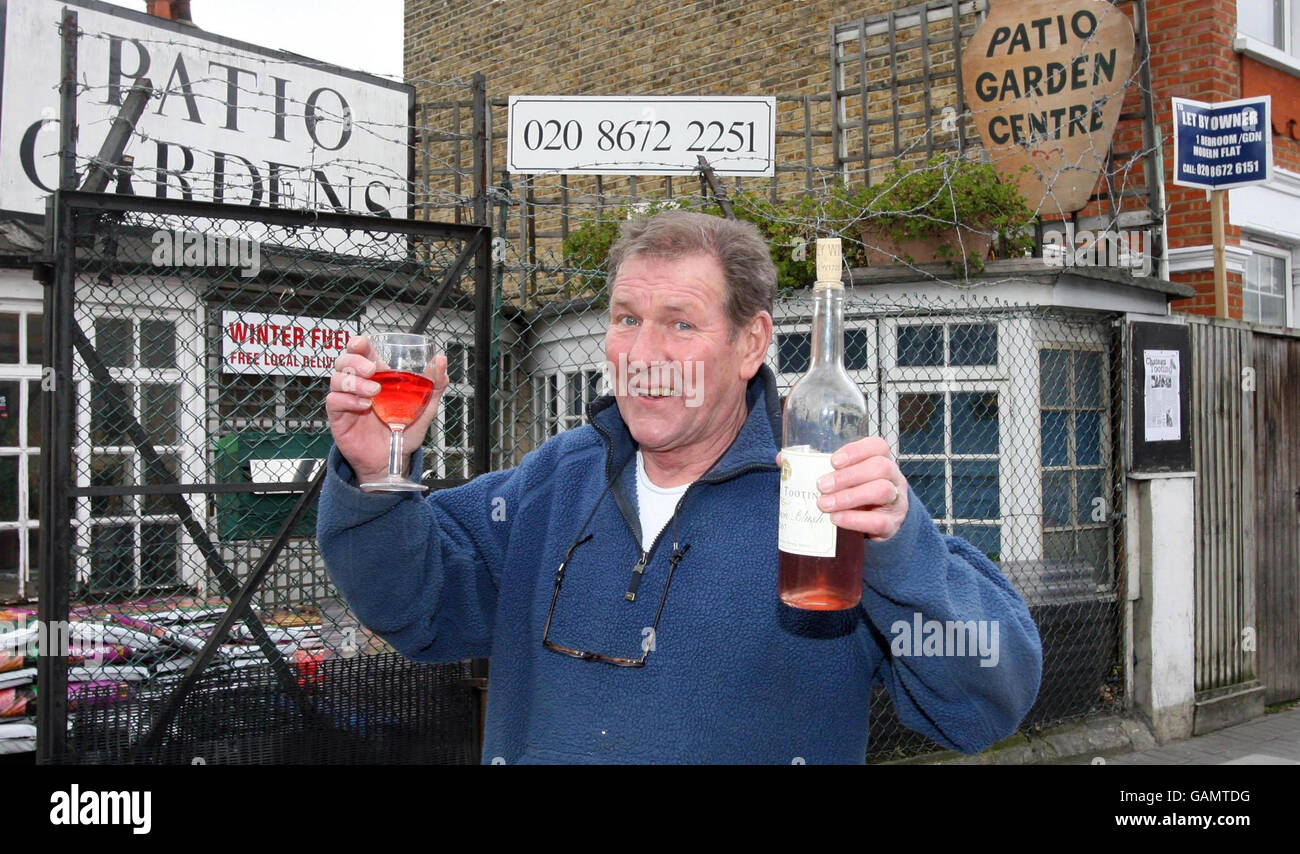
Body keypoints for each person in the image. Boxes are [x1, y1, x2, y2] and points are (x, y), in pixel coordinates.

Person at [318, 210, 1042, 764]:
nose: (642, 354)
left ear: (751, 342)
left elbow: (988, 701)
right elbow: (415, 608)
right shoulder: (551, 483)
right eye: (627, 319)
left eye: (680, 323)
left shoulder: (821, 504)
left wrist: (899, 547)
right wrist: (379, 471)